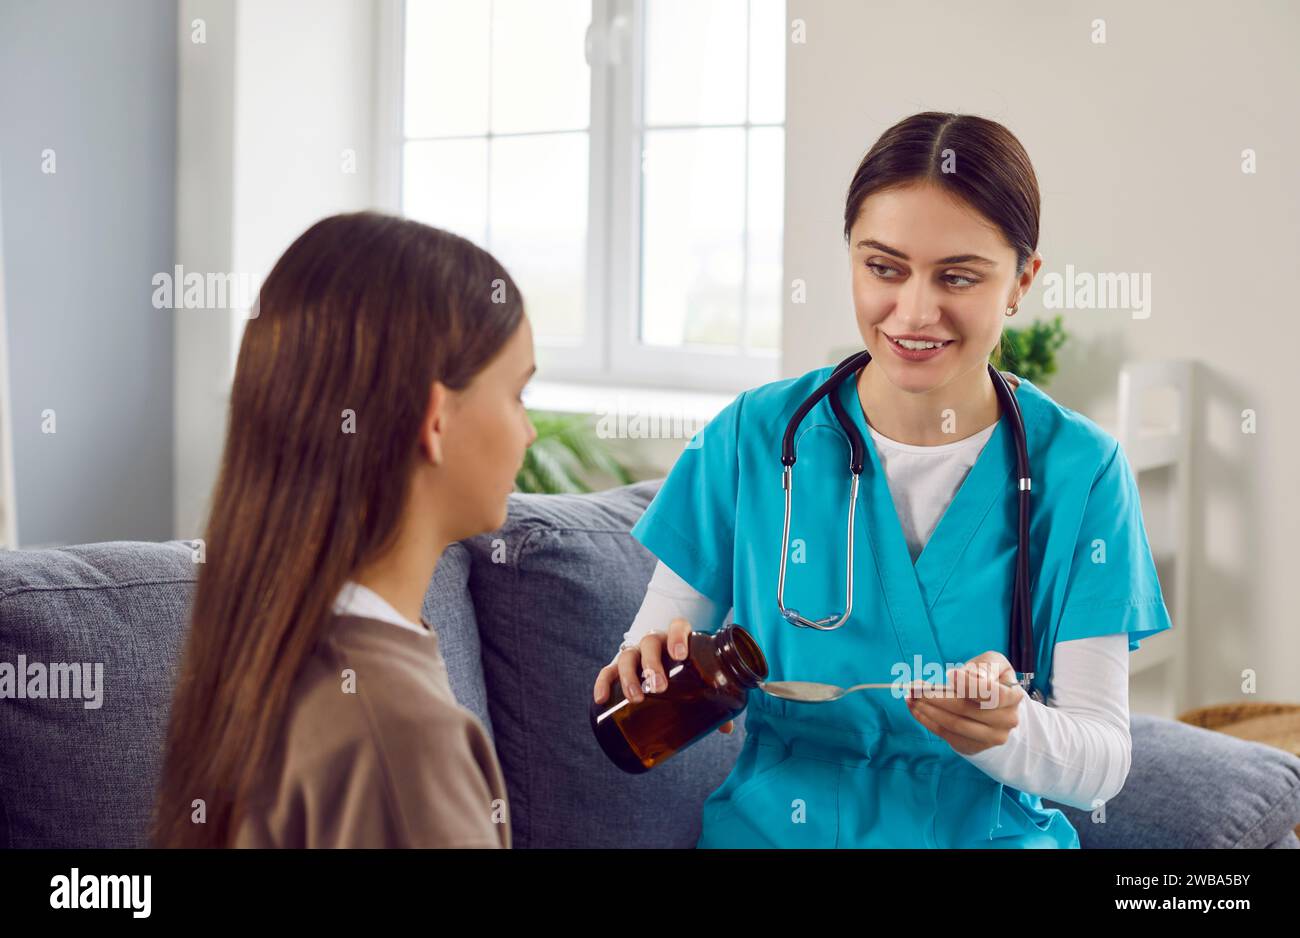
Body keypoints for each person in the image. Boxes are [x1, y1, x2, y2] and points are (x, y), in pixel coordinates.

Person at [593, 112, 1173, 848]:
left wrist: (1008, 730)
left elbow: (1101, 762)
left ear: (1022, 282)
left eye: (958, 276)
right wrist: (641, 666)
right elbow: (648, 655)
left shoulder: (1083, 474)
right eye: (884, 268)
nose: (915, 311)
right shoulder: (753, 438)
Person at [151, 212, 537, 848]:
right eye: (518, 394)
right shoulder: (401, 744)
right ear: (434, 419)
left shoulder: (263, 651)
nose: (529, 431)